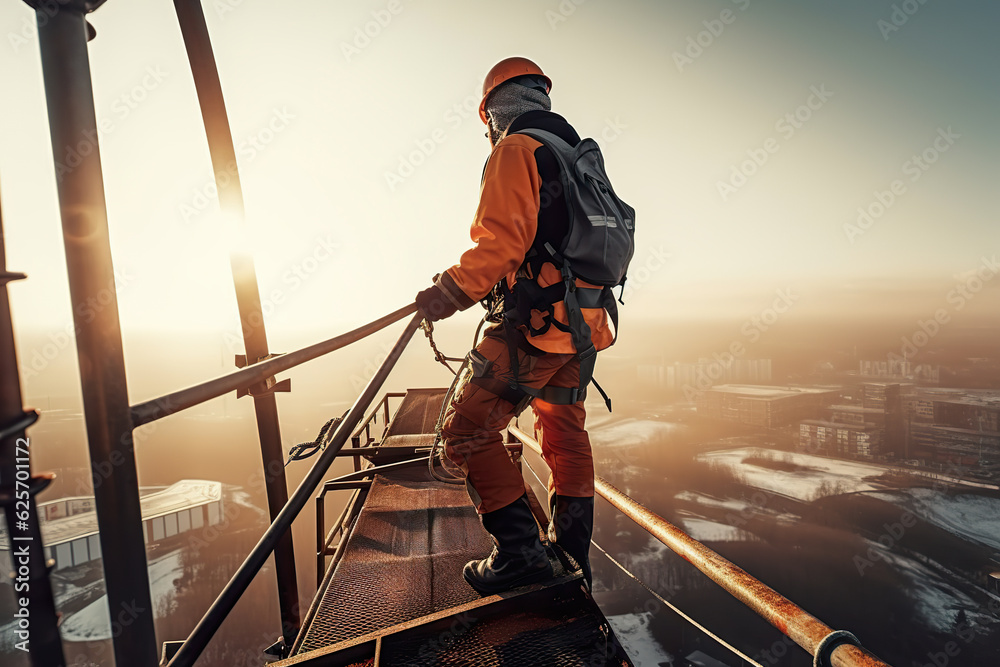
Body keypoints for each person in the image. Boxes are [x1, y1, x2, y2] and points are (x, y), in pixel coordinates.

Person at [415, 57, 615, 595]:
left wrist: (450, 291)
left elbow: (502, 241)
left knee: (467, 431)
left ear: (493, 111)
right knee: (566, 438)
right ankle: (570, 558)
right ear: (540, 96)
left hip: (536, 325)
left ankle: (521, 556)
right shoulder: (574, 153)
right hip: (585, 324)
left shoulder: (515, 149)